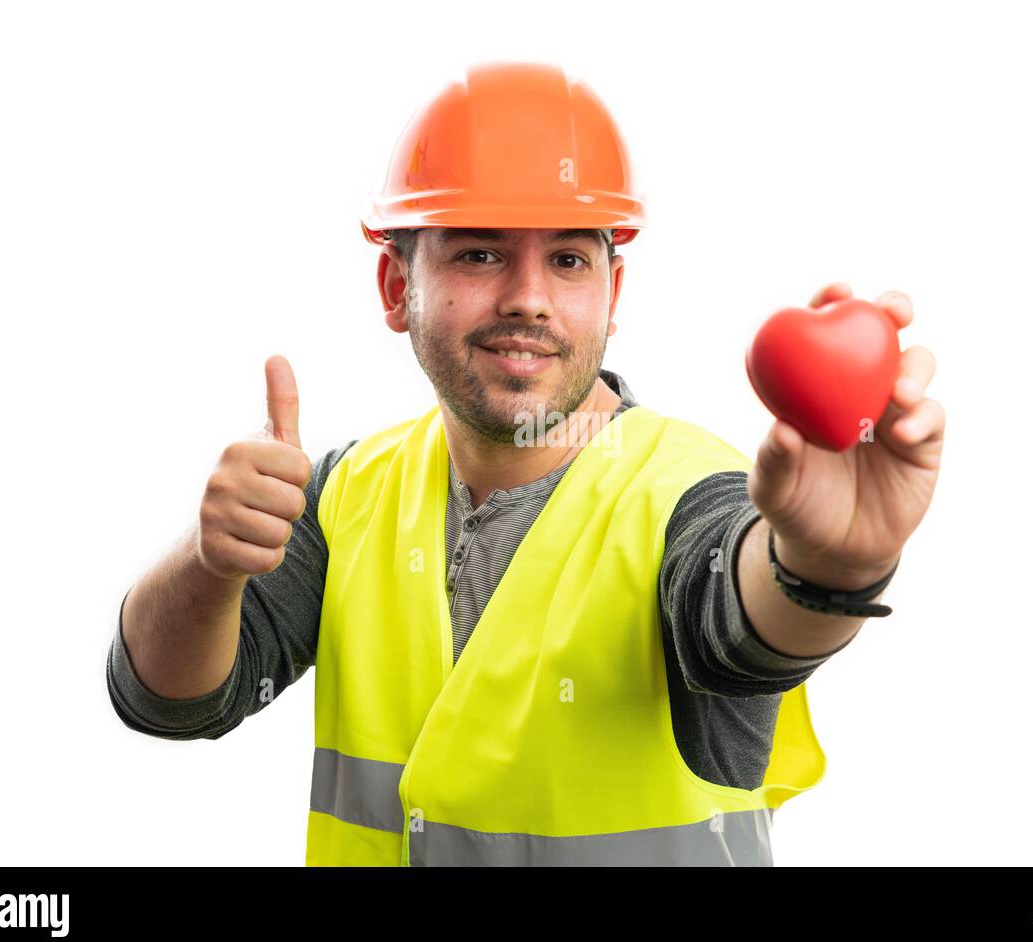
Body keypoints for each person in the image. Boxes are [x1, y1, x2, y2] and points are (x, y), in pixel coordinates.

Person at [107, 61, 945, 866]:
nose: (528, 297)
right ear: (397, 288)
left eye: (569, 258)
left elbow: (743, 625)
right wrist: (210, 563)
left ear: (612, 295)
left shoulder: (689, 496)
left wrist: (831, 563)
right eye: (480, 252)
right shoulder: (343, 494)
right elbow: (165, 701)